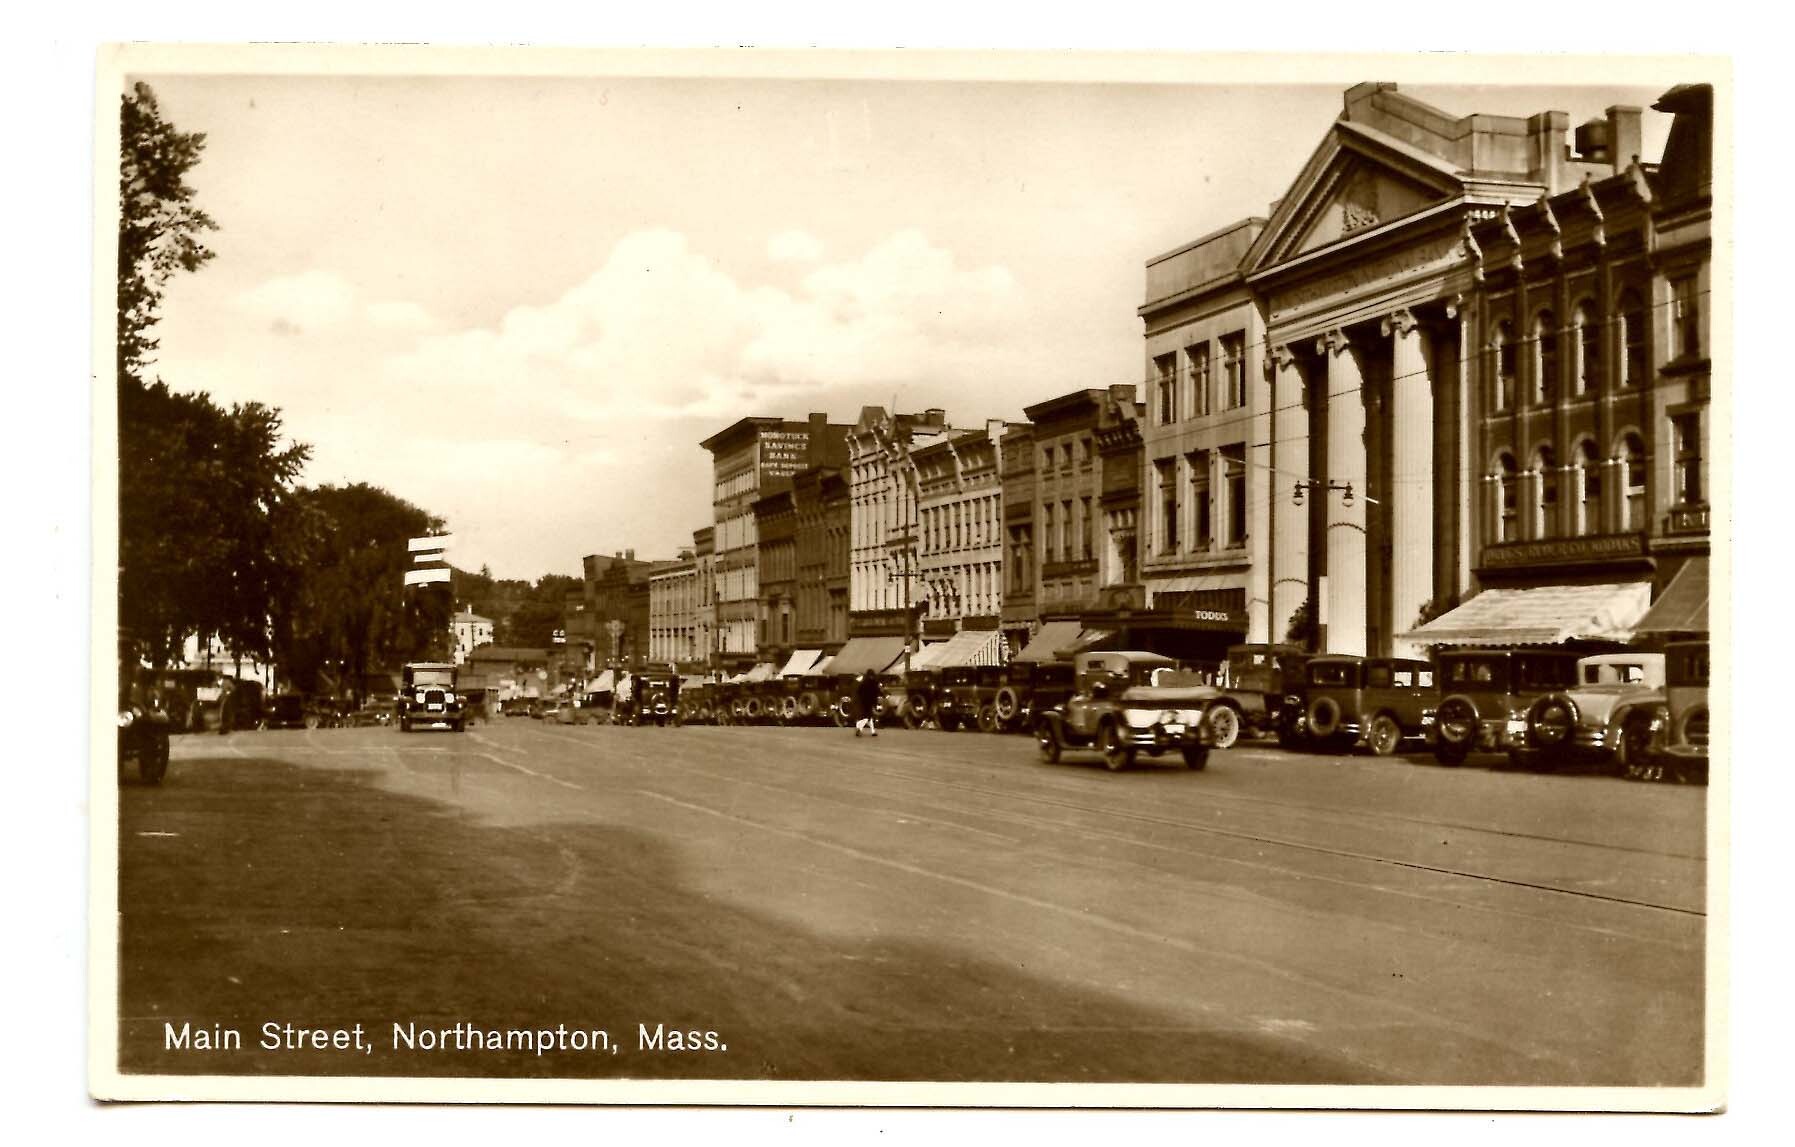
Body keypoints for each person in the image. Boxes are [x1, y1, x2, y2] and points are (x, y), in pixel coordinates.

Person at [854, 669, 882, 737]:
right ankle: (859, 728)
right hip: (870, 702)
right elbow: (877, 691)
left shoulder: (863, 682)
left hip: (863, 701)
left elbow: (858, 691)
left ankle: (873, 732)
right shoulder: (874, 682)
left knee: (870, 717)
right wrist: (883, 695)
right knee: (867, 717)